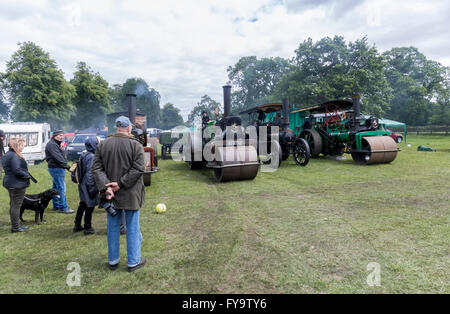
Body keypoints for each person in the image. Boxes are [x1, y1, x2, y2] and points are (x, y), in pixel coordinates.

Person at [92, 116, 146, 272]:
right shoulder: (136, 145)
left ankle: (113, 261)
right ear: (129, 128)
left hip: (111, 195)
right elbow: (138, 169)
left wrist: (106, 187)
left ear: (117, 127)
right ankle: (133, 262)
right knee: (132, 228)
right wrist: (120, 184)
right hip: (130, 193)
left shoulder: (103, 145)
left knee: (113, 228)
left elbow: (96, 169)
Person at [2, 137, 31, 233]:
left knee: (13, 204)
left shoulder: (7, 154)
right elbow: (17, 170)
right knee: (16, 206)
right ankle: (16, 227)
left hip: (10, 182)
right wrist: (27, 175)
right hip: (16, 184)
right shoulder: (14, 156)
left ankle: (16, 225)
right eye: (22, 145)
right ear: (16, 146)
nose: (23, 147)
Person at [73, 137, 100, 235]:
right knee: (90, 205)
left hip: (82, 182)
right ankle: (87, 228)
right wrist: (92, 187)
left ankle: (77, 225)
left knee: (83, 204)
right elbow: (90, 173)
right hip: (88, 183)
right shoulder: (92, 157)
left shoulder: (83, 154)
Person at [45, 130, 73, 214]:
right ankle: (63, 207)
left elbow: (62, 156)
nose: (62, 137)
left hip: (56, 168)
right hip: (56, 168)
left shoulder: (55, 144)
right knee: (61, 188)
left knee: (55, 188)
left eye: (62, 135)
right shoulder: (52, 145)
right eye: (60, 135)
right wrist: (68, 167)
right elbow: (59, 158)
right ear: (55, 136)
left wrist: (62, 149)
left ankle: (56, 205)